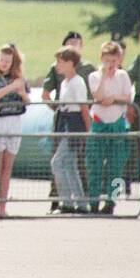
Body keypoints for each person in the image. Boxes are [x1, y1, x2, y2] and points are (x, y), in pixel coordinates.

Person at [0, 43, 29, 219]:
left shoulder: (19, 78)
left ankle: (2, 205)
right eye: (1, 60)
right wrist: (10, 88)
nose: (4, 63)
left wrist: (22, 92)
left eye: (7, 61)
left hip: (14, 122)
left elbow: (27, 102)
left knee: (7, 167)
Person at [87, 41, 131, 215]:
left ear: (118, 60)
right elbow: (97, 95)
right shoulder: (94, 76)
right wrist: (104, 76)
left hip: (117, 122)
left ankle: (112, 201)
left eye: (113, 61)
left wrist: (113, 98)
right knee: (94, 162)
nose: (111, 65)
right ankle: (93, 200)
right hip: (99, 122)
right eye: (107, 61)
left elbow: (127, 97)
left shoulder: (123, 75)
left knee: (116, 164)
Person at [50, 45, 89, 214]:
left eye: (60, 61)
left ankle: (67, 202)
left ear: (70, 63)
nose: (57, 65)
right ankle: (80, 203)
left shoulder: (77, 82)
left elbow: (83, 107)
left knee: (58, 162)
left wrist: (87, 130)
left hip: (74, 125)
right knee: (70, 164)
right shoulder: (65, 82)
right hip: (65, 124)